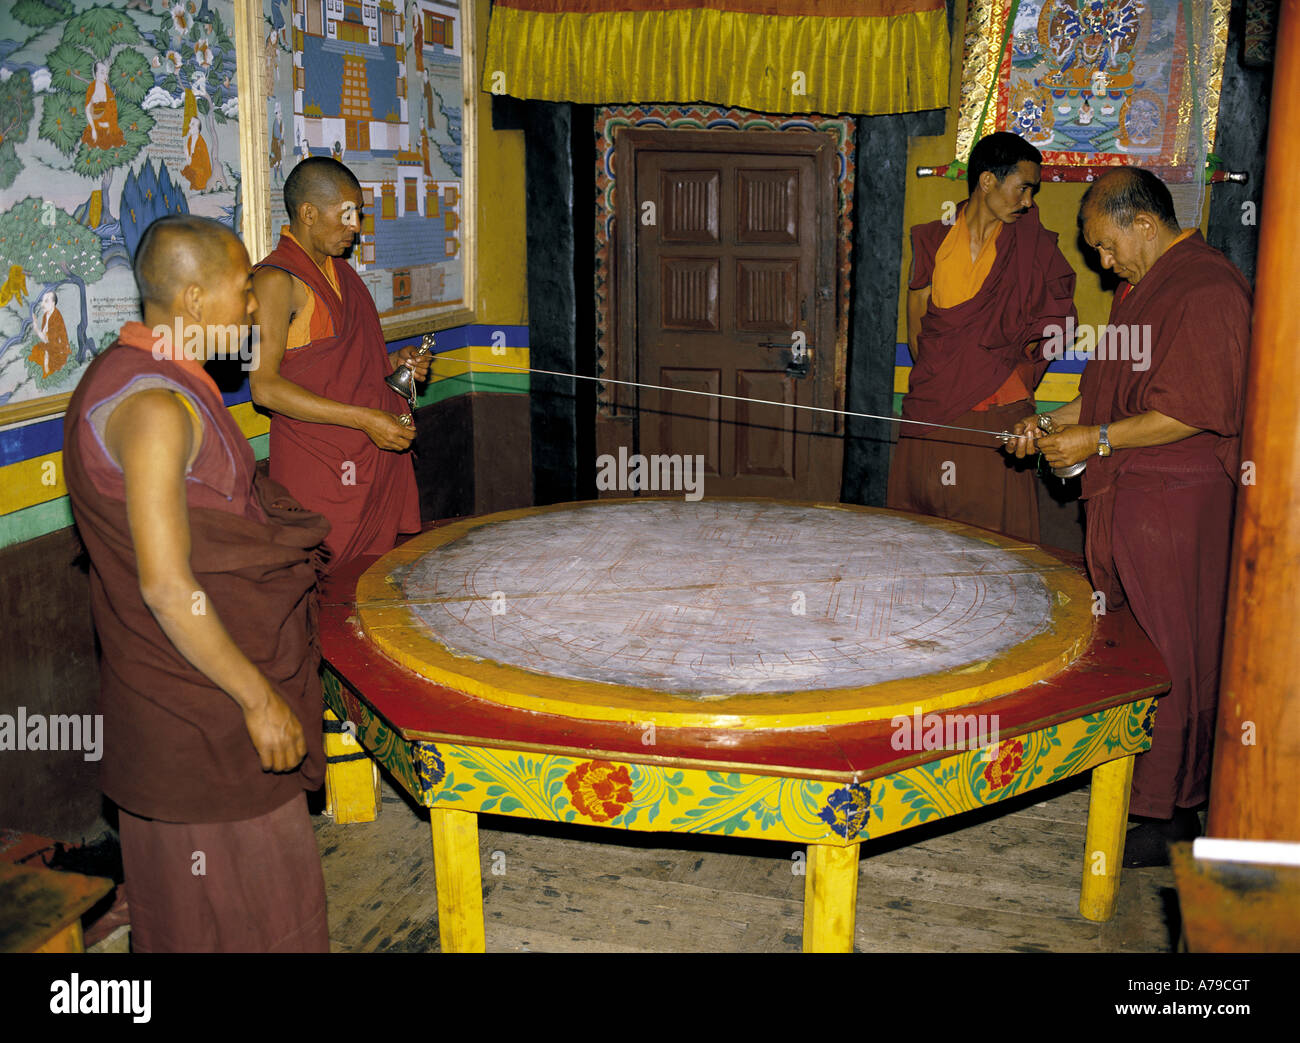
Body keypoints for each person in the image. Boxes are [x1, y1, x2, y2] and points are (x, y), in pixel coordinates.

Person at [62, 214, 332, 950]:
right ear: (190, 301)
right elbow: (165, 584)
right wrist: (256, 699)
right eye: (242, 289)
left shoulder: (157, 380)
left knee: (206, 914)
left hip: (194, 687)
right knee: (249, 918)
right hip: (201, 705)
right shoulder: (151, 408)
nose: (253, 305)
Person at [1007, 168, 1251, 866]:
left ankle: (1169, 808)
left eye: (1106, 246)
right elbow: (1104, 393)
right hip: (1127, 496)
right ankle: (1134, 785)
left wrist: (1098, 440)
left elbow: (1191, 410)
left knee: (1173, 652)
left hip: (1178, 504)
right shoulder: (1138, 289)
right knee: (1130, 646)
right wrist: (1048, 424)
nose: (1103, 263)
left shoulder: (1206, 289)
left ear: (1142, 221)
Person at [887, 132, 1077, 543]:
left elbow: (1059, 319)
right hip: (936, 410)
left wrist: (1007, 369)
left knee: (994, 544)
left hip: (1000, 415)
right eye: (1023, 187)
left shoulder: (1032, 243)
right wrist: (948, 381)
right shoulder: (932, 239)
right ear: (988, 181)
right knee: (925, 538)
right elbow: (918, 329)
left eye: (1033, 191)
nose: (1028, 201)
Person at [251, 157, 428, 567]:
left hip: (371, 458)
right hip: (318, 467)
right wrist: (365, 419)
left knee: (369, 586)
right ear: (308, 213)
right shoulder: (275, 281)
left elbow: (347, 366)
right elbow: (264, 387)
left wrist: (394, 362)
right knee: (322, 590)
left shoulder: (343, 274)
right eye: (347, 213)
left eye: (359, 214)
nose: (356, 226)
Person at [82, 61, 126, 149]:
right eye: (102, 73)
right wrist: (94, 129)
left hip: (109, 127)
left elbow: (112, 111)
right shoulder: (91, 89)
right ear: (95, 74)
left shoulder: (108, 91)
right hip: (96, 126)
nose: (105, 76)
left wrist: (110, 126)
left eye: (106, 73)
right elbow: (88, 110)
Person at [29, 290, 70, 378]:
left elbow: (48, 340)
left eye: (46, 301)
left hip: (58, 349)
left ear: (53, 303)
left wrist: (36, 328)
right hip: (50, 345)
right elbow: (45, 336)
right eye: (42, 301)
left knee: (44, 357)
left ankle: (47, 374)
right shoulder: (46, 315)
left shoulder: (56, 316)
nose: (42, 304)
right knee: (34, 351)